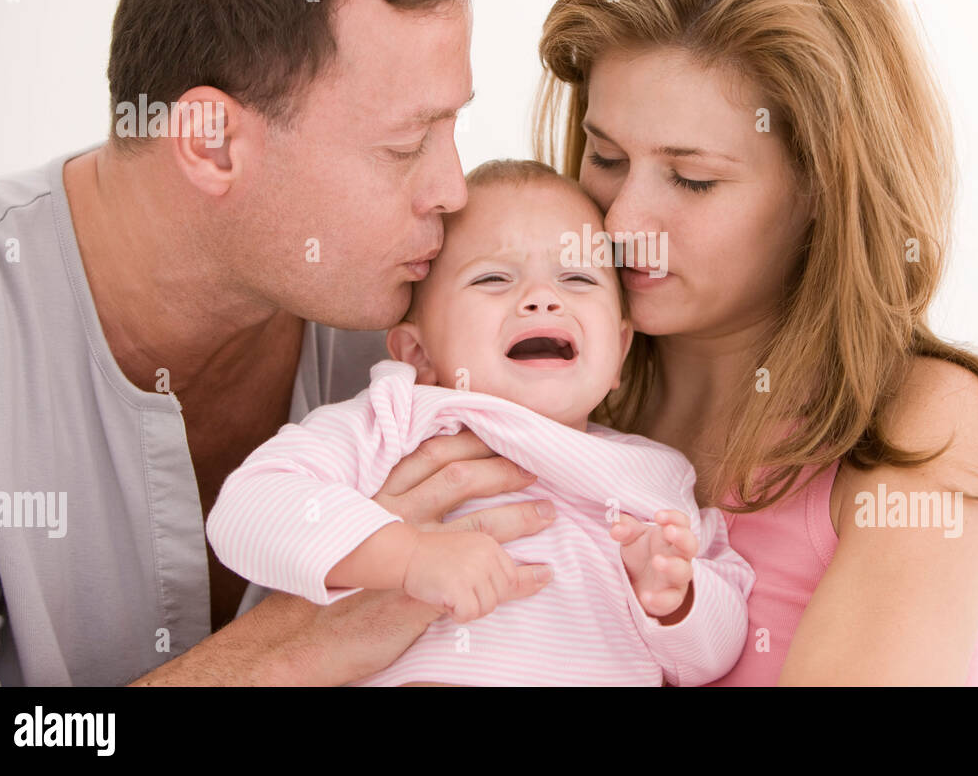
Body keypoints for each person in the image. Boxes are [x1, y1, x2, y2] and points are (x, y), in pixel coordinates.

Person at [0, 0, 555, 686]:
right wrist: (288, 652)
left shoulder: (431, 314)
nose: (451, 190)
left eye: (452, 128)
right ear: (212, 144)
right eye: (402, 145)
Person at [531, 0, 978, 684]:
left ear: (823, 188)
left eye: (693, 180)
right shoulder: (553, 391)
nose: (624, 222)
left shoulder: (919, 422)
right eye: (607, 157)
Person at [207, 159, 755, 686]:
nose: (542, 300)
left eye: (577, 278)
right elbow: (246, 510)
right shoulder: (399, 417)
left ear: (619, 348)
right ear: (417, 353)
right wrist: (406, 556)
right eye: (494, 278)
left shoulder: (654, 476)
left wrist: (676, 598)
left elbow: (711, 660)